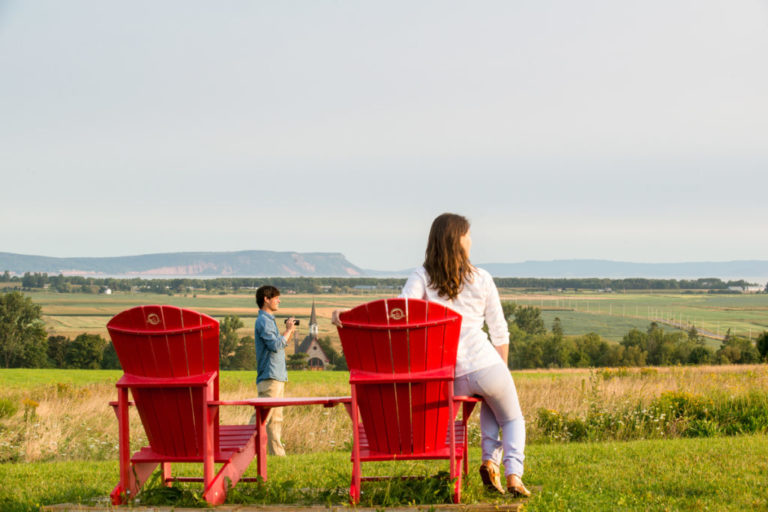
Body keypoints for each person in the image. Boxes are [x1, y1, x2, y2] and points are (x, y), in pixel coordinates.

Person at [332, 213, 529, 496]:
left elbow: (398, 314)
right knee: (510, 417)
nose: (471, 240)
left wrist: (347, 315)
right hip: (488, 365)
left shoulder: (422, 277)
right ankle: (512, 473)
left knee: (491, 404)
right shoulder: (482, 278)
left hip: (449, 375)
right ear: (457, 241)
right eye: (467, 235)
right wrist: (502, 370)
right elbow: (500, 331)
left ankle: (491, 463)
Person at [254, 285, 296, 457]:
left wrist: (289, 331)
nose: (279, 300)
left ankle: (278, 456)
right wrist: (288, 330)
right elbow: (276, 345)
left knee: (275, 420)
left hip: (277, 375)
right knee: (261, 417)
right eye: (276, 297)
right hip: (270, 375)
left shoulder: (268, 320)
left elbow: (280, 345)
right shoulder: (264, 321)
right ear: (266, 299)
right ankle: (240, 450)